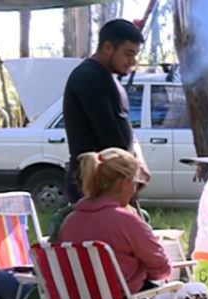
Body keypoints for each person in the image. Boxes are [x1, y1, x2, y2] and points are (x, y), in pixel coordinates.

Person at [60, 147, 208, 299]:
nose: (135, 188)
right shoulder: (126, 221)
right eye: (134, 182)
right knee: (201, 294)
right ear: (122, 182)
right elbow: (162, 269)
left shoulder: (70, 222)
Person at [63, 19, 147, 203]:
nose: (132, 62)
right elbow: (109, 134)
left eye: (135, 55)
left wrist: (138, 160)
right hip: (95, 185)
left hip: (117, 183)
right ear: (108, 47)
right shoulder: (89, 77)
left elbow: (126, 129)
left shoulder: (110, 78)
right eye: (128, 54)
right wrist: (130, 168)